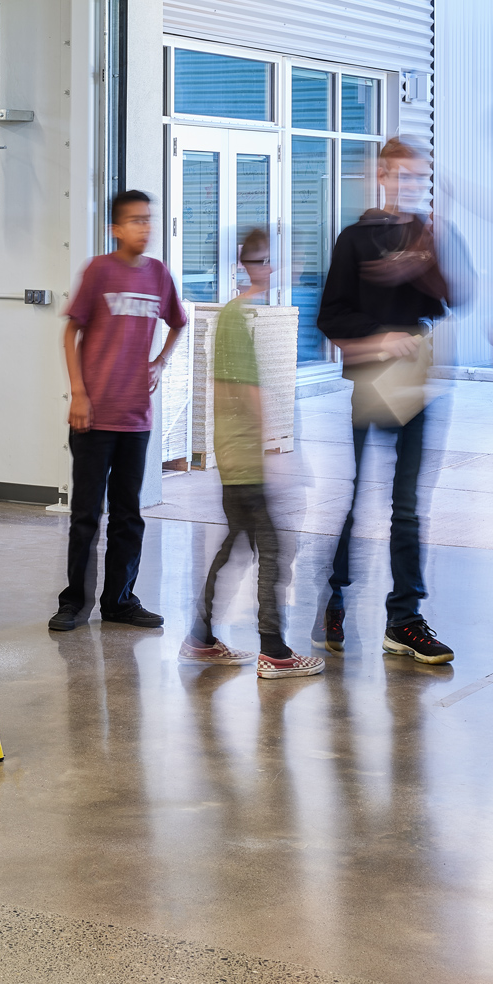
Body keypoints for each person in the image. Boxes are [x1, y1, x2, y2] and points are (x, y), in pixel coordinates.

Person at [314, 137, 457, 666]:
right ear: (381, 175)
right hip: (373, 379)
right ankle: (332, 597)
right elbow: (330, 316)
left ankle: (404, 619)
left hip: (416, 381)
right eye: (401, 176)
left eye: (420, 178)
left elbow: (447, 300)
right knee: (358, 499)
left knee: (406, 505)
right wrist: (379, 339)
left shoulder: (427, 235)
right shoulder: (355, 239)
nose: (411, 187)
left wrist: (430, 256)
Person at [179, 228, 324, 679]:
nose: (274, 268)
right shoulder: (238, 318)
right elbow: (241, 388)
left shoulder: (235, 315)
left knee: (238, 543)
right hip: (244, 457)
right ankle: (274, 651)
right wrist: (274, 455)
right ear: (251, 263)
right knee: (273, 550)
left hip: (235, 452)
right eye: (265, 260)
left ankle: (201, 637)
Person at [49, 190, 187, 632]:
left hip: (135, 416)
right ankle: (74, 602)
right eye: (134, 221)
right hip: (93, 417)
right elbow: (70, 334)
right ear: (115, 228)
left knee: (130, 513)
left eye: (148, 220)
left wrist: (160, 362)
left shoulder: (159, 275)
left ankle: (120, 601)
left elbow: (179, 322)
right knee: (87, 514)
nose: (143, 228)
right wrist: (79, 394)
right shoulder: (99, 271)